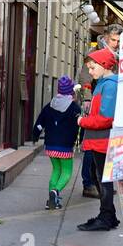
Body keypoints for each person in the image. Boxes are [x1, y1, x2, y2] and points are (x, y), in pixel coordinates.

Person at [77, 48, 118, 232]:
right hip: (98, 140)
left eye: (93, 67)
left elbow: (106, 118)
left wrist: (82, 121)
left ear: (104, 65)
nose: (90, 72)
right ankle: (108, 215)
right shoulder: (103, 83)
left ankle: (106, 216)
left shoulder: (109, 85)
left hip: (103, 140)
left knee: (103, 179)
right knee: (99, 177)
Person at [34, 75, 81, 211]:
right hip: (65, 146)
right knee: (66, 172)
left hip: (50, 145)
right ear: (71, 91)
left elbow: (39, 122)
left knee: (56, 170)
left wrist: (35, 135)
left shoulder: (50, 105)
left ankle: (51, 201)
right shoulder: (74, 108)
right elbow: (79, 125)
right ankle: (56, 192)